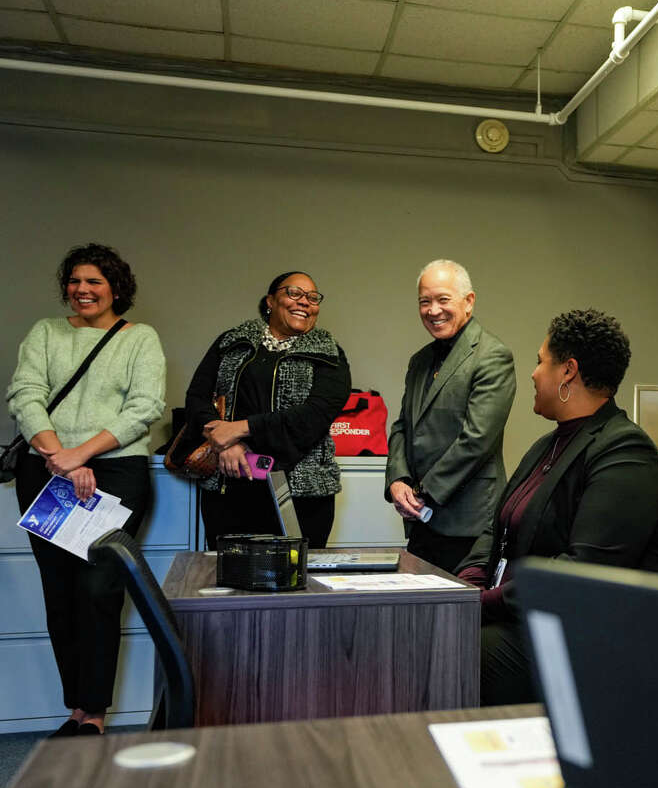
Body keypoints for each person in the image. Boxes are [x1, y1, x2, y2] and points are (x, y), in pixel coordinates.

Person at [456, 309, 658, 705]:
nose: (535, 374)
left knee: (451, 649)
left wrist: (483, 604)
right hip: (526, 618)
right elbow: (497, 528)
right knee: (437, 634)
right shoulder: (547, 445)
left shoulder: (626, 450)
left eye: (540, 361)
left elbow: (584, 571)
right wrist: (470, 579)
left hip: (583, 634)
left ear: (568, 371)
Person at [7, 244, 165, 737]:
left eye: (94, 281)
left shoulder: (140, 339)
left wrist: (82, 455)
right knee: (60, 591)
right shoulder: (46, 333)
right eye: (75, 281)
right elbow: (25, 394)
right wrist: (59, 456)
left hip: (116, 472)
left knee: (99, 588)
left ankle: (94, 714)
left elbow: (145, 406)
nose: (82, 290)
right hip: (46, 471)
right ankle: (74, 707)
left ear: (116, 287)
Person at [185, 271, 349, 550]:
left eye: (312, 297)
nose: (304, 302)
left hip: (301, 491)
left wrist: (240, 428)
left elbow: (315, 416)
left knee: (296, 582)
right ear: (270, 301)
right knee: (230, 579)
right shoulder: (232, 342)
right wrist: (225, 444)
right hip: (230, 484)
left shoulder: (329, 353)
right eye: (294, 293)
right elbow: (197, 398)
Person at [386, 259, 515, 573]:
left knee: (458, 618)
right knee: (418, 611)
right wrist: (398, 480)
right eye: (424, 301)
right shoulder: (419, 361)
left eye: (443, 299)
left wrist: (419, 493)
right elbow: (403, 425)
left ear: (468, 302)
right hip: (422, 521)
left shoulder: (492, 356)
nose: (433, 310)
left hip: (468, 523)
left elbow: (476, 440)